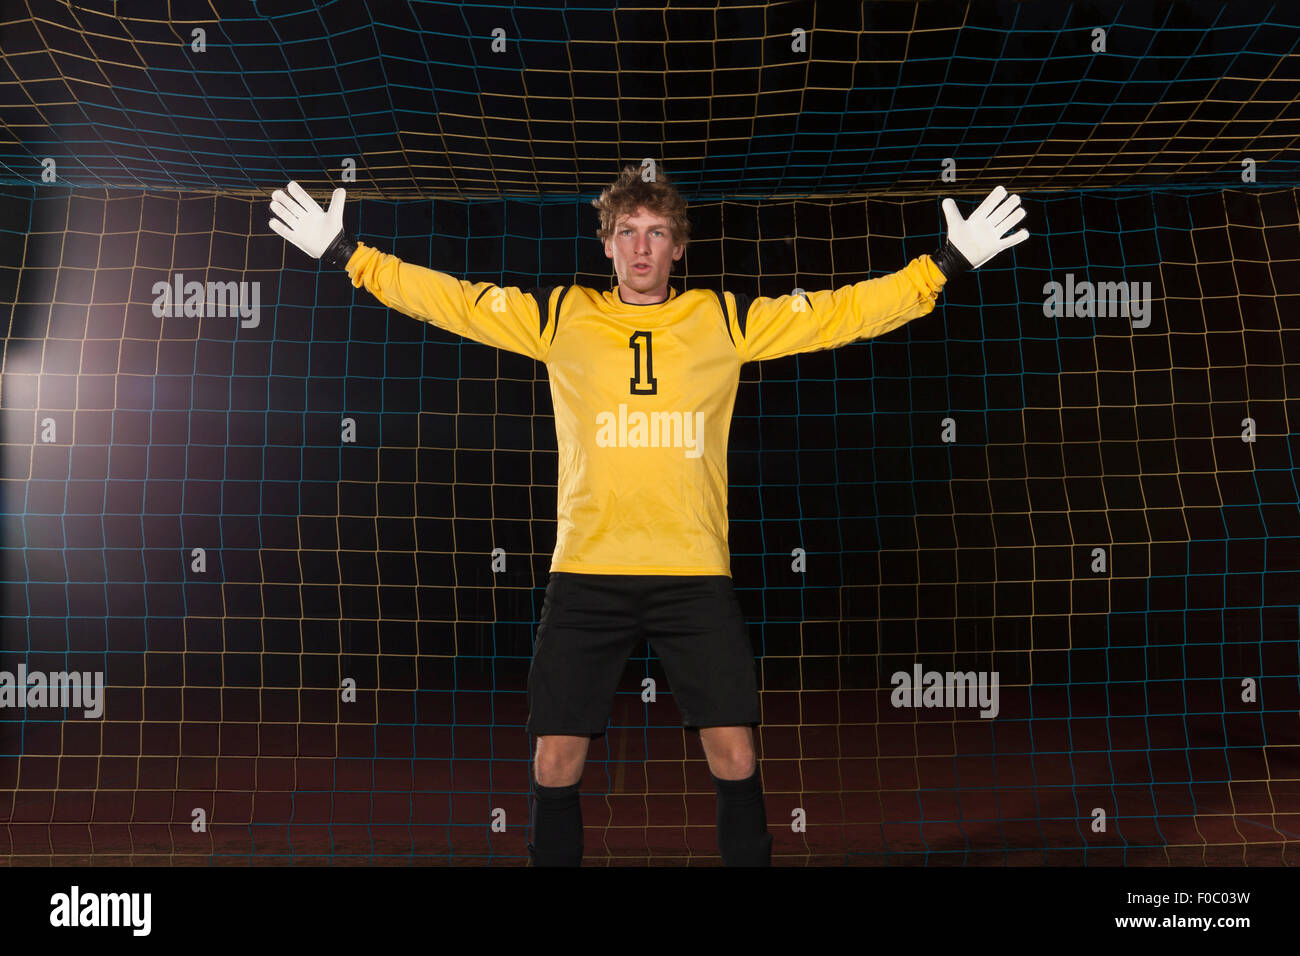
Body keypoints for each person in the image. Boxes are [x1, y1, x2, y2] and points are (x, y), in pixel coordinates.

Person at [268, 166, 1028, 867]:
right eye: (627, 232)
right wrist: (347, 255)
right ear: (605, 245)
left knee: (734, 753)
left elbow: (840, 314)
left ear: (678, 247)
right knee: (553, 760)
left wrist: (944, 266)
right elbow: (457, 302)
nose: (641, 246)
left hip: (692, 575)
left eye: (656, 232)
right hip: (587, 576)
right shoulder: (562, 317)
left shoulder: (722, 322)